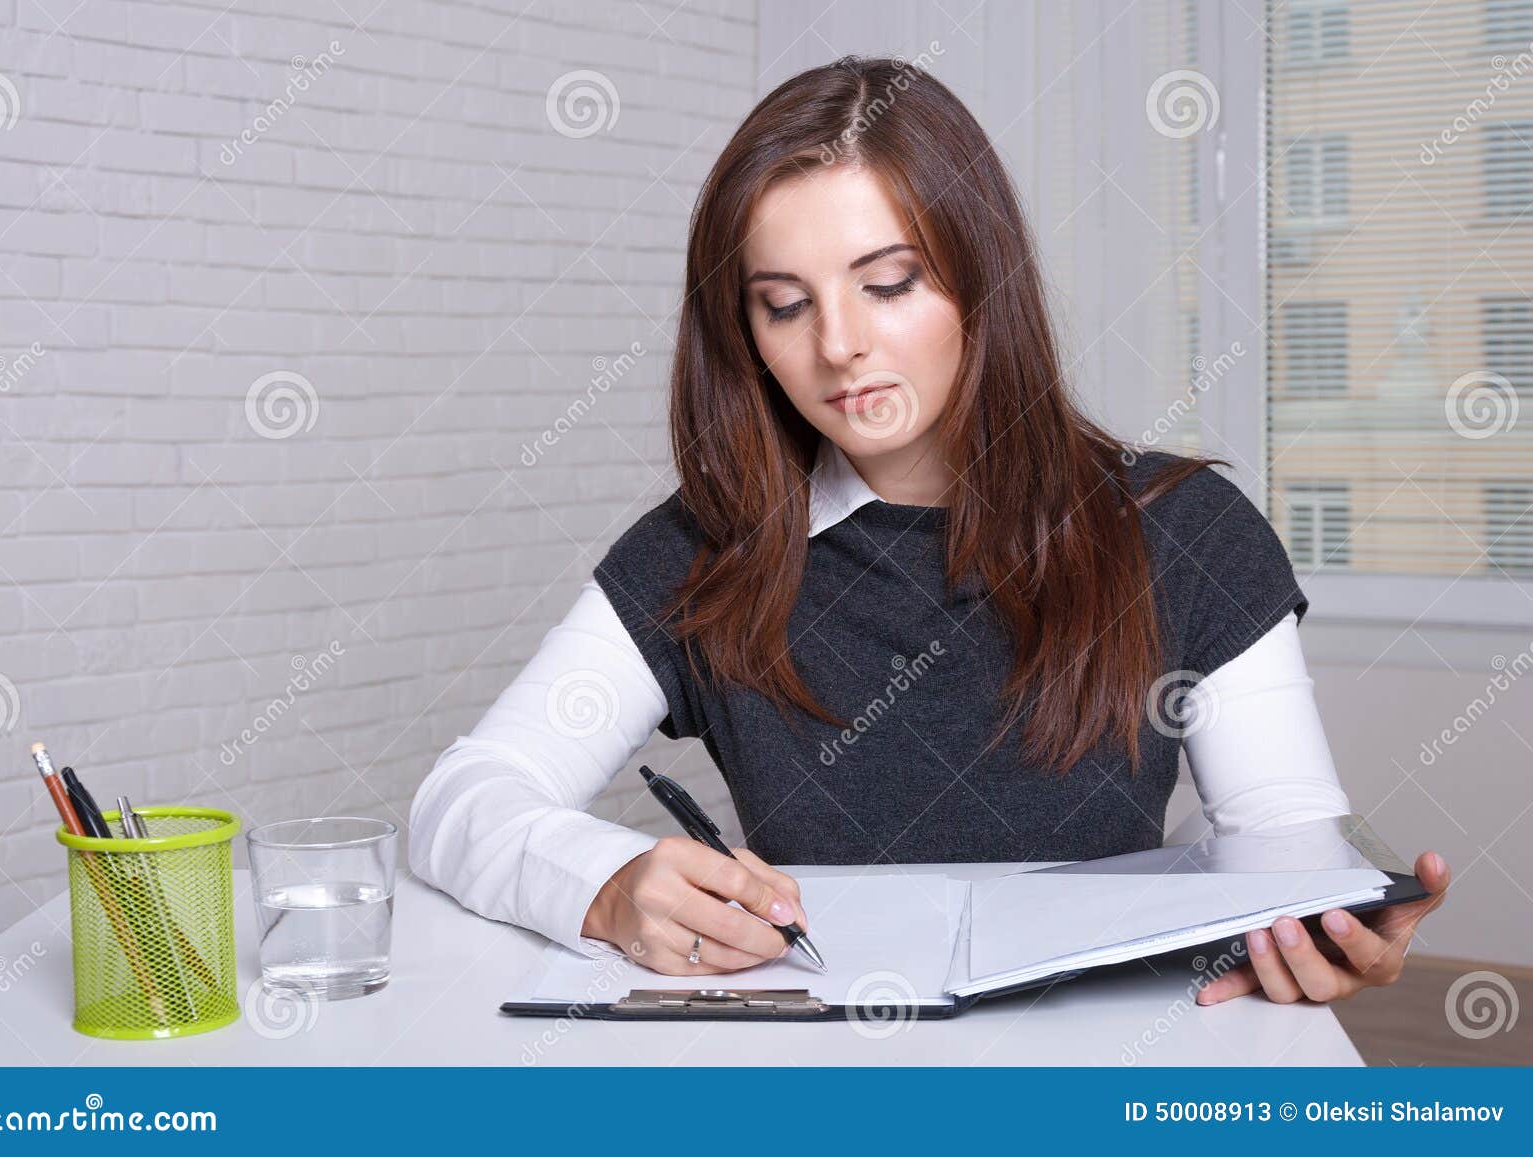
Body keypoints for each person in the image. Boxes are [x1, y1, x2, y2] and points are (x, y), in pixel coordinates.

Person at [410, 56, 1449, 1006]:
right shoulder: (704, 549)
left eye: (887, 284)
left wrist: (1317, 924)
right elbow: (462, 798)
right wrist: (600, 883)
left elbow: (1284, 844)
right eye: (783, 304)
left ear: (976, 275)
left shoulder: (1184, 531)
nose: (838, 346)